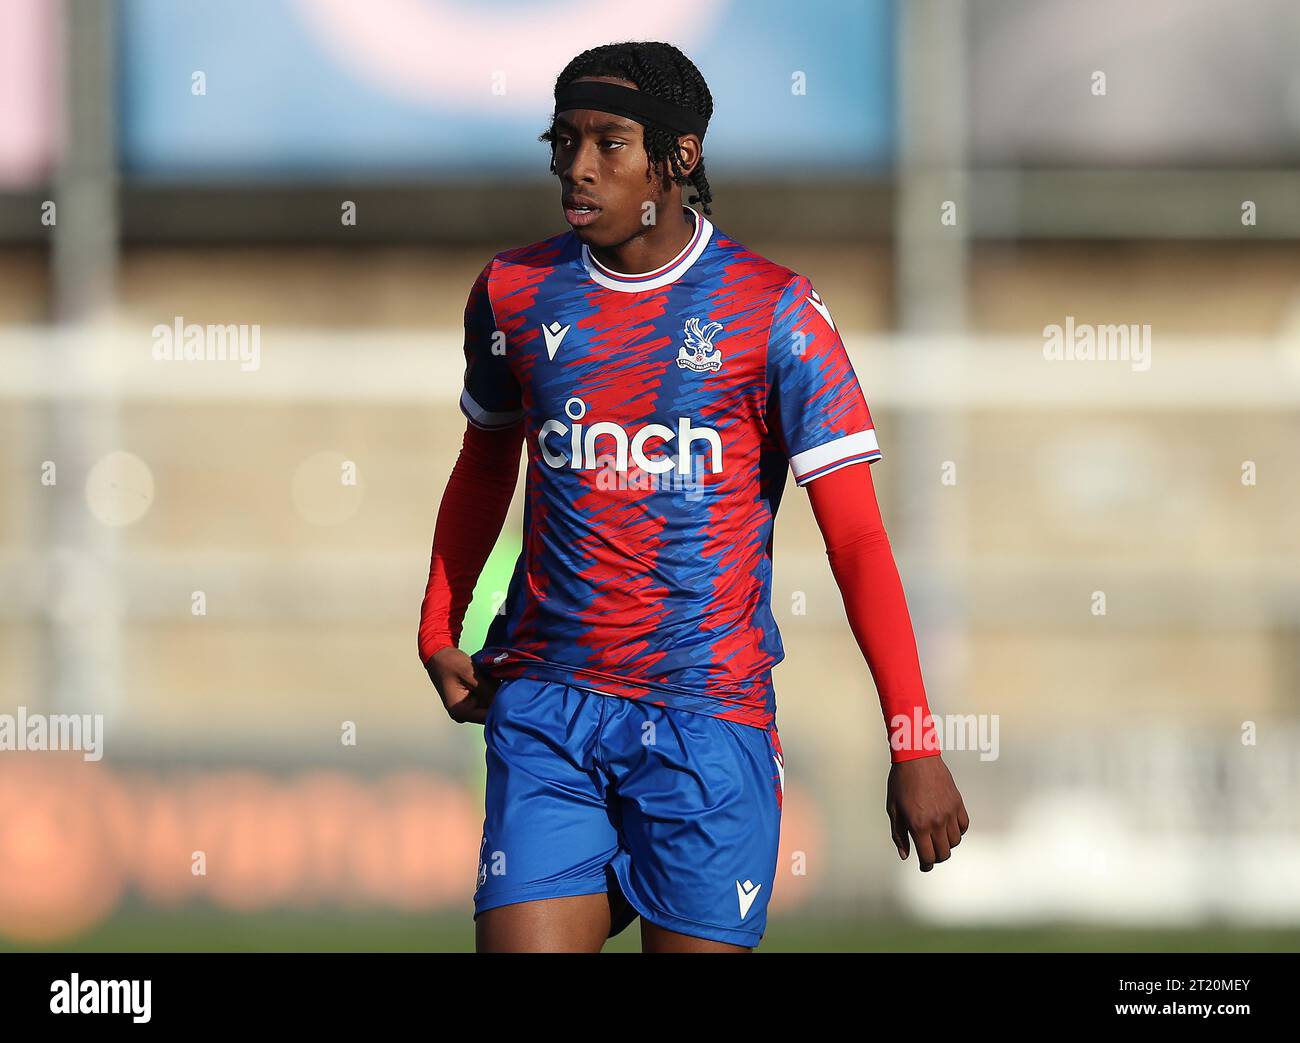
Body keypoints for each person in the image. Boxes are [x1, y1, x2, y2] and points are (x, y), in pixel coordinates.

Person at [418, 40, 968, 953]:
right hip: (546, 709)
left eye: (610, 144)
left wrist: (913, 740)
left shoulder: (776, 315)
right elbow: (485, 461)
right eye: (565, 143)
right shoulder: (514, 292)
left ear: (679, 158)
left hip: (706, 725)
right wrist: (440, 625)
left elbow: (860, 545)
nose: (579, 169)